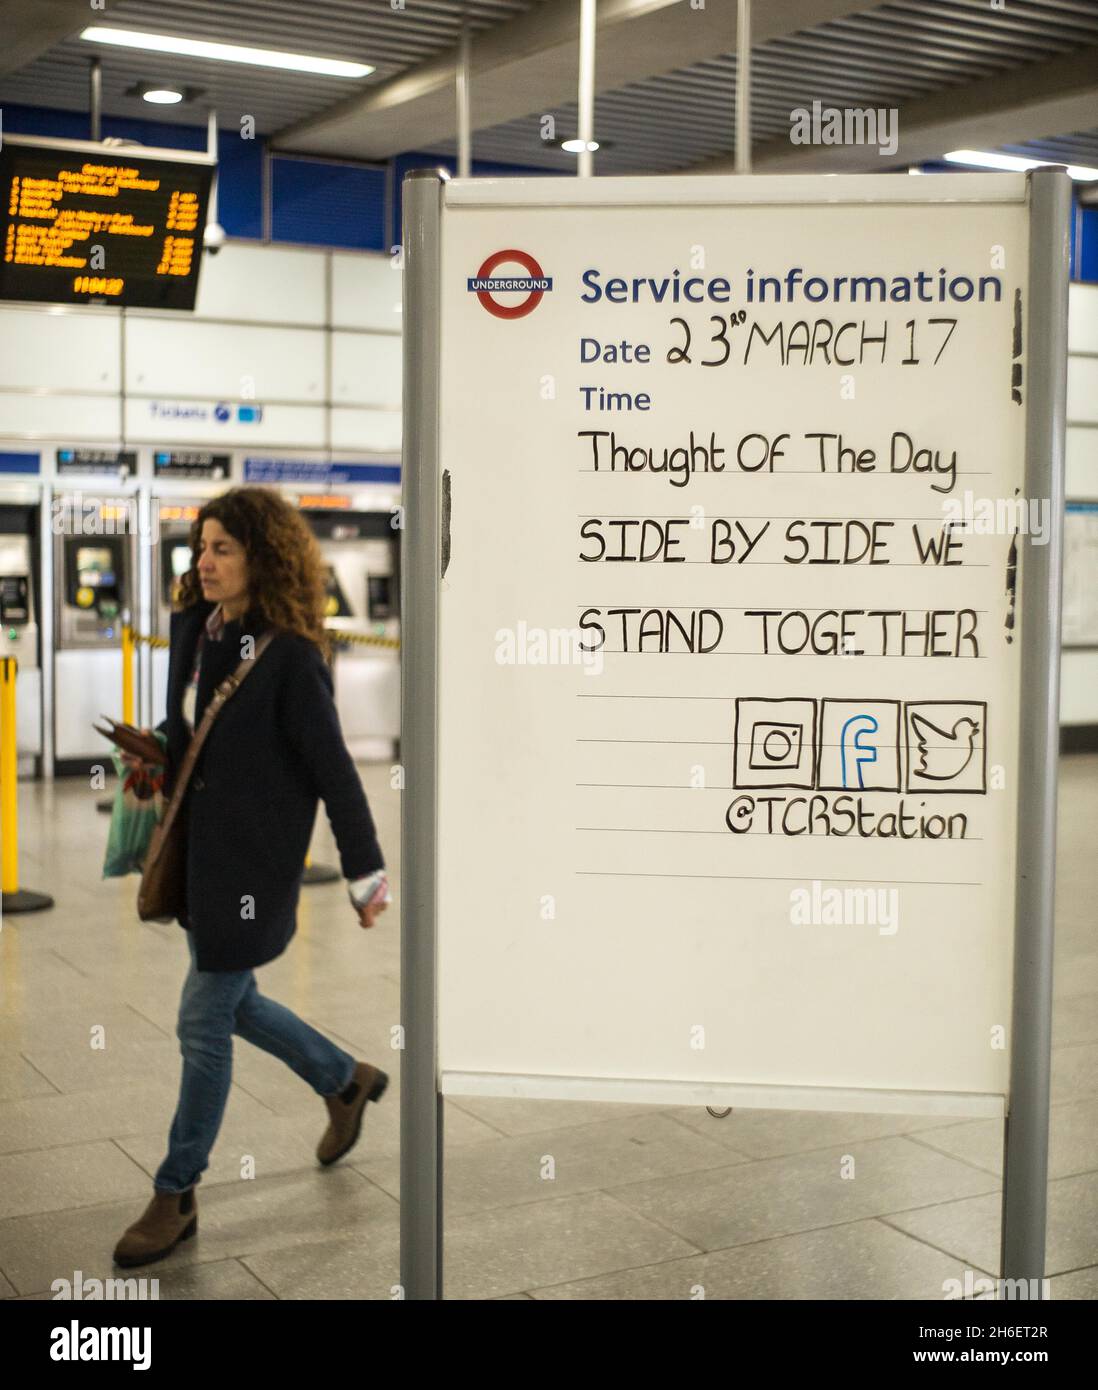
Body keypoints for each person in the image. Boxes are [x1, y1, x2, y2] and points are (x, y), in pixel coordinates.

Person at [112, 486, 390, 1269]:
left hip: (253, 868)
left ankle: (176, 1192)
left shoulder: (293, 658)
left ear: (261, 558)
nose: (203, 563)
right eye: (200, 547)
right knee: (238, 1003)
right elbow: (194, 726)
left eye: (222, 549)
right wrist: (158, 747)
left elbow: (335, 773)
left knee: (203, 1020)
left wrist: (365, 871)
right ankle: (344, 1081)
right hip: (201, 856)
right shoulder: (198, 632)